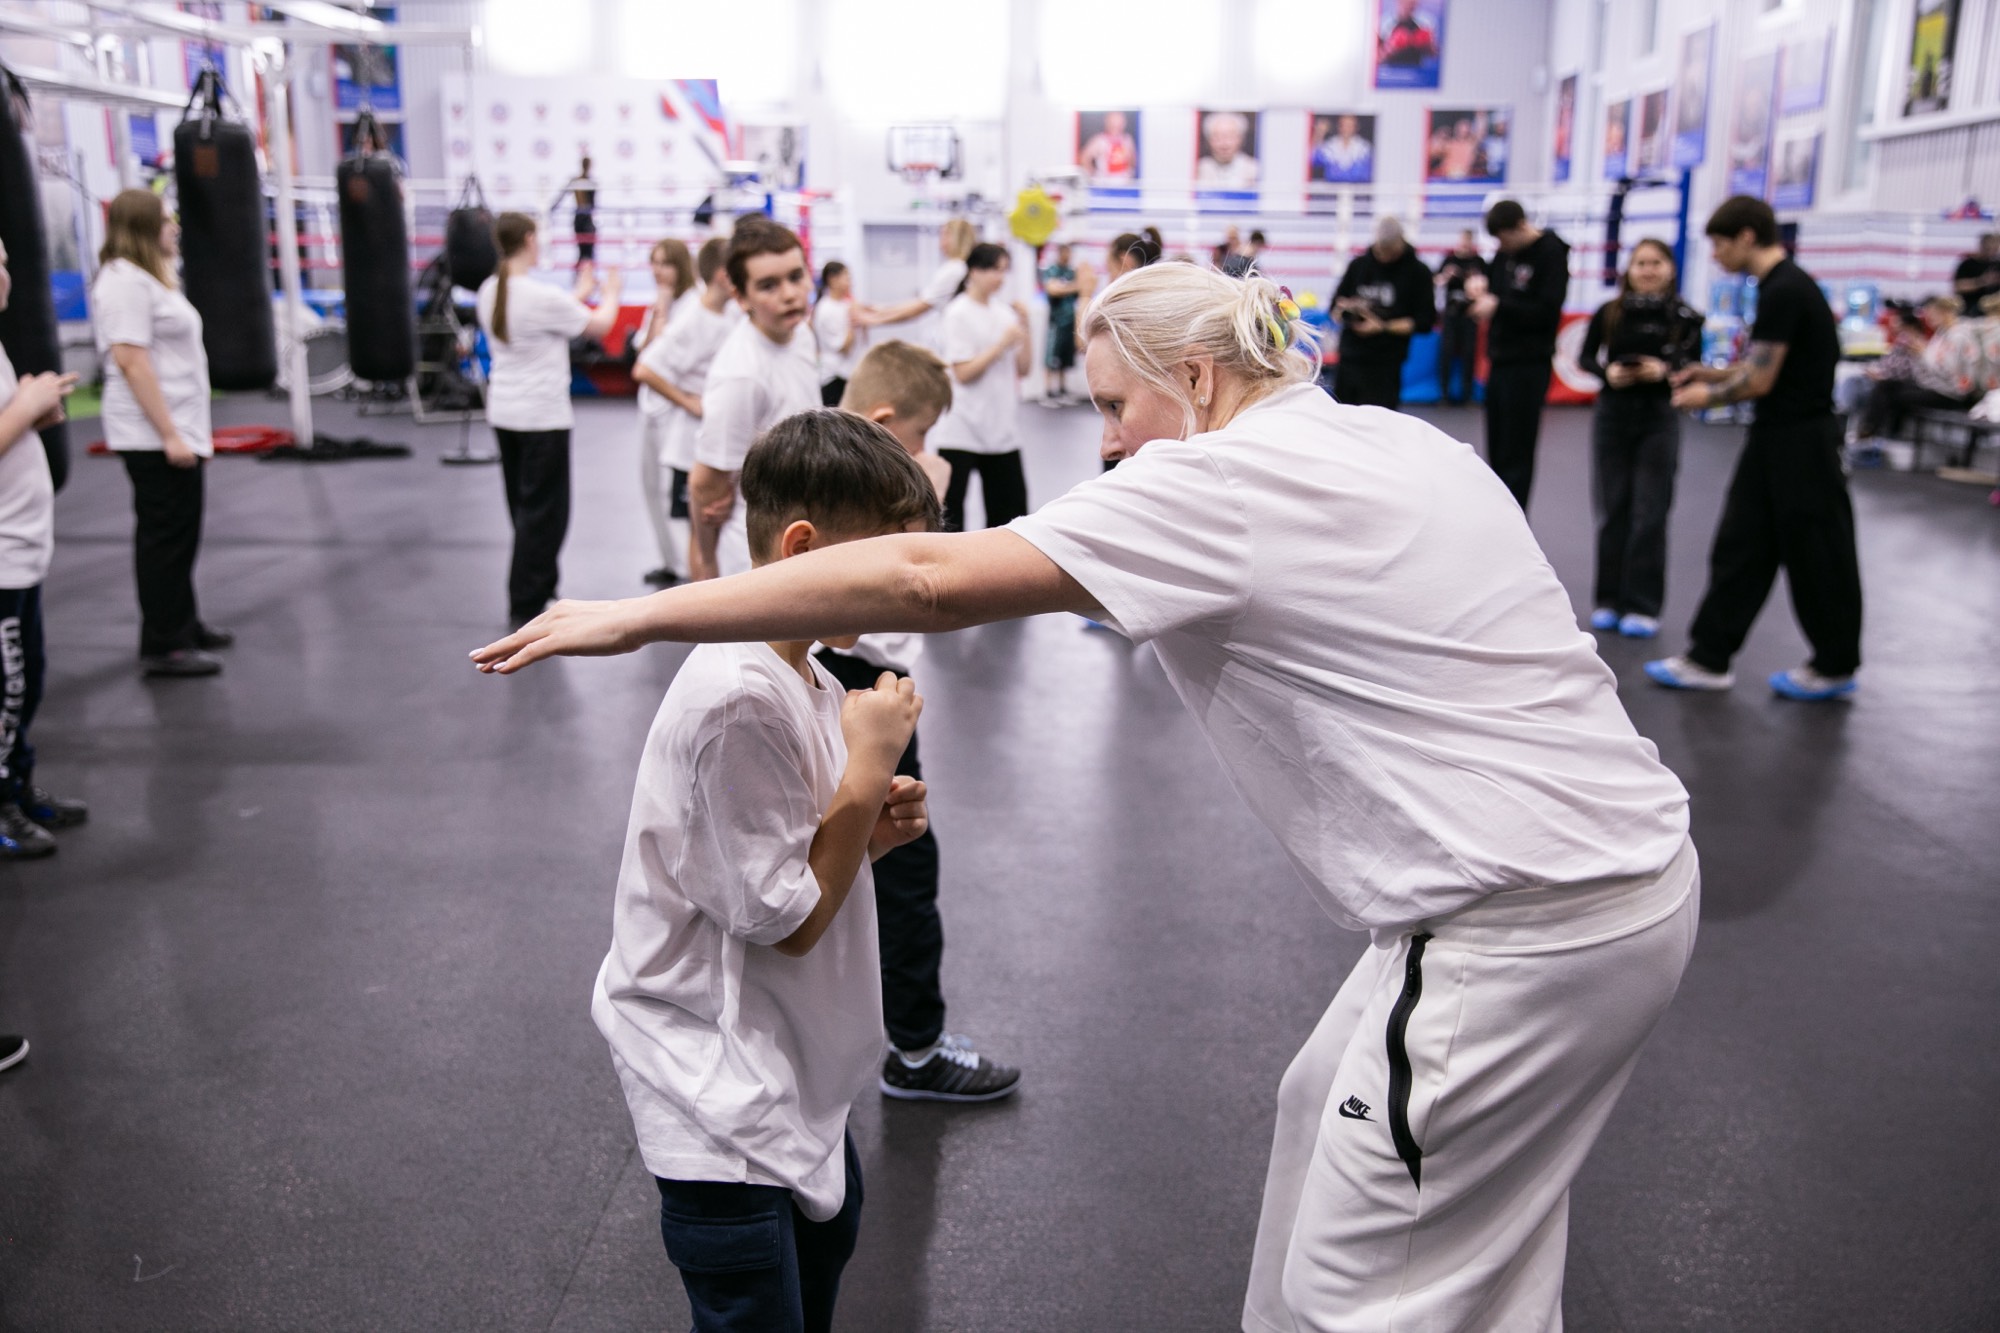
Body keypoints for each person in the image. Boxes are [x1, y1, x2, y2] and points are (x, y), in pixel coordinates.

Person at [474, 263, 1700, 1333]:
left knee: (1367, 1295)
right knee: (1371, 1172)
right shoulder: (1394, 439)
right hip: (1608, 881)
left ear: (1203, 380)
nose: (1105, 439)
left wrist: (635, 613)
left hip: (1520, 929)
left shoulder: (1224, 484)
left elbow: (924, 576)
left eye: (1115, 404)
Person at [591, 410, 937, 1331]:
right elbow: (783, 919)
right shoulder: (741, 698)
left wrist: (869, 828)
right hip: (721, 1098)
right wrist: (867, 771)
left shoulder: (812, 675)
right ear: (805, 549)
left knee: (825, 1257)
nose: (907, 593)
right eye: (890, 565)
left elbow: (792, 855)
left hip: (789, 1070)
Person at [816, 342, 1020, 1102]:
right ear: (881, 421)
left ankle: (880, 1038)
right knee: (901, 868)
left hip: (848, 679)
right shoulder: (849, 492)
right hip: (856, 683)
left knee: (860, 860)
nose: (926, 451)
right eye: (921, 434)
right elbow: (843, 617)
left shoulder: (825, 465)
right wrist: (924, 496)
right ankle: (916, 1051)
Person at [1651, 195, 1862, 701]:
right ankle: (1709, 657)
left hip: (1803, 442)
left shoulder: (1786, 290)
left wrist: (1707, 395)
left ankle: (1834, 666)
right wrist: (1714, 372)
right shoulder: (1777, 288)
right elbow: (1768, 369)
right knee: (1742, 546)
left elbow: (1762, 380)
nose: (1717, 256)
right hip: (1774, 437)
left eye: (1721, 244)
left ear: (1747, 236)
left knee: (1818, 554)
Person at [91, 189, 232, 677]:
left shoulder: (151, 279)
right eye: (166, 221)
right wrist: (171, 435)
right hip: (151, 435)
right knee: (163, 537)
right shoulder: (123, 282)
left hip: (176, 430)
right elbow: (132, 361)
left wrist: (194, 435)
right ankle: (164, 643)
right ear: (144, 227)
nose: (174, 228)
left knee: (181, 531)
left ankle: (183, 623)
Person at [476, 212, 623, 625]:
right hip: (541, 419)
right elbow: (601, 324)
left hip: (505, 413)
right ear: (528, 239)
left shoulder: (492, 289)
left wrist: (583, 289)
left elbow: (557, 310)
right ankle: (525, 601)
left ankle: (540, 587)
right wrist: (609, 291)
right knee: (545, 514)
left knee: (524, 509)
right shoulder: (537, 296)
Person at [0, 236, 86, 859]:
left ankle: (18, 787)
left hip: (21, 554)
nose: (8, 273)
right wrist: (23, 407)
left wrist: (35, 411)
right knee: (5, 691)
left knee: (25, 684)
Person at [1576, 239, 1704, 639]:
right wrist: (1606, 375)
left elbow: (1692, 364)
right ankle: (1608, 599)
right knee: (1613, 508)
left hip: (1658, 418)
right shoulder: (1609, 313)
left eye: (1656, 262)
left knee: (1650, 511)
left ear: (1670, 268)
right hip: (1613, 415)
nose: (1648, 269)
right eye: (1640, 262)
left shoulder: (1686, 317)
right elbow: (1584, 357)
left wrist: (1663, 371)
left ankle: (1643, 604)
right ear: (1629, 269)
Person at [690, 218, 819, 581]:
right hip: (751, 556)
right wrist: (708, 570)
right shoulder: (741, 373)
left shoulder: (801, 333)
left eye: (796, 276)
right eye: (768, 286)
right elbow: (705, 486)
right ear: (741, 297)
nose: (790, 294)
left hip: (802, 532)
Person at [632, 238, 735, 592]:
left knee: (721, 524)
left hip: (716, 436)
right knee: (700, 528)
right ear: (725, 275)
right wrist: (688, 402)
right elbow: (645, 368)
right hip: (688, 439)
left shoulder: (729, 313)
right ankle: (702, 604)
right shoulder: (693, 318)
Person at [1469, 198, 1571, 508]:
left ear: (1521, 226)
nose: (1502, 245)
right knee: (1498, 446)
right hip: (1501, 359)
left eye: (1504, 237)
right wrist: (1480, 290)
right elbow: (1496, 290)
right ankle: (1500, 514)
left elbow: (1548, 308)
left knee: (1518, 449)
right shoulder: (1504, 254)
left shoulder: (1552, 254)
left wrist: (1499, 306)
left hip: (1530, 363)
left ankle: (1516, 516)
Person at [930, 244, 1031, 532]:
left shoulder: (1004, 313)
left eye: (1003, 270)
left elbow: (1023, 369)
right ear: (974, 271)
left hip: (1001, 431)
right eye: (993, 269)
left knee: (1010, 517)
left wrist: (1026, 327)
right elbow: (963, 373)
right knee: (950, 519)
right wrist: (1001, 344)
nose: (1000, 277)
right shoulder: (957, 313)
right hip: (961, 429)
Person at [632, 239, 697, 586]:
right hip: (651, 406)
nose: (658, 270)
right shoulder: (660, 305)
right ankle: (668, 559)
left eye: (665, 263)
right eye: (654, 262)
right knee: (650, 484)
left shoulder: (693, 306)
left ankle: (688, 565)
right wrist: (660, 309)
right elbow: (644, 353)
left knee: (677, 492)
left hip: (678, 410)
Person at [1330, 216, 1435, 410]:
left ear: (1400, 244)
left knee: (1380, 426)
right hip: (1350, 359)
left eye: (1388, 253)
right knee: (1343, 424)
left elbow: (1425, 321)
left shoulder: (1418, 272)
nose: (1383, 257)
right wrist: (1347, 309)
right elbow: (1334, 307)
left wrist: (1382, 327)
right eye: (1380, 251)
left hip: (1386, 363)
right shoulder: (1359, 265)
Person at [1851, 296, 1983, 447]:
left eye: (1932, 314)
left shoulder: (1958, 337)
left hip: (1948, 392)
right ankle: (1872, 432)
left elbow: (1948, 370)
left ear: (1945, 312)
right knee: (1886, 386)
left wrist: (1923, 353)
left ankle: (1878, 435)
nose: (1928, 319)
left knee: (1892, 394)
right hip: (1935, 386)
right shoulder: (1941, 334)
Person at [855, 217, 977, 351]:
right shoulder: (962, 267)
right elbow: (921, 301)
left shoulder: (954, 269)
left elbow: (918, 308)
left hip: (955, 338)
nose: (940, 243)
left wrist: (873, 320)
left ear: (955, 238)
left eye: (944, 235)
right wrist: (880, 309)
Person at [1434, 229, 1487, 405]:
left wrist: (1475, 282)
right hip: (1451, 313)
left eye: (1468, 242)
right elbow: (1436, 280)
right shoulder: (1449, 260)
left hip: (1470, 314)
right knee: (1446, 352)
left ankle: (1468, 394)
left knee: (1469, 353)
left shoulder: (1478, 262)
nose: (1465, 245)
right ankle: (1444, 393)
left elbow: (1488, 284)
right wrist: (1447, 275)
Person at [813, 260, 861, 408]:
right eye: (846, 278)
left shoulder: (845, 305)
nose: (850, 283)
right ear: (832, 280)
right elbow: (843, 346)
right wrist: (853, 321)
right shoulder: (825, 309)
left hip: (847, 374)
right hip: (833, 378)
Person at [1039, 242, 1081, 402]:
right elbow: (1053, 289)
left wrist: (1070, 287)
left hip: (1070, 321)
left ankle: (1062, 389)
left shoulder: (1071, 272)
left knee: (1066, 356)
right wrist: (1073, 287)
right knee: (1052, 355)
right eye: (1065, 252)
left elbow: (1082, 287)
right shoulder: (1052, 270)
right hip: (1056, 321)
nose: (1067, 256)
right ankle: (1048, 391)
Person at [1197, 112, 1260, 189]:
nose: (1224, 144)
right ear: (1208, 140)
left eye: (1230, 137)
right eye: (1217, 137)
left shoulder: (1254, 170)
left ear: (1241, 139)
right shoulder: (1198, 170)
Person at [1310, 115, 1372, 184]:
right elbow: (1313, 160)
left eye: (1350, 126)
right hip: (1332, 190)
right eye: (1343, 125)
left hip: (1357, 191)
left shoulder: (1364, 148)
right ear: (1339, 127)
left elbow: (1367, 175)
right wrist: (1319, 133)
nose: (1346, 129)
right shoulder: (1330, 146)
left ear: (1356, 127)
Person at [1079, 110, 1137, 182]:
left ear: (1124, 122)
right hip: (1105, 184)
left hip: (1124, 184)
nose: (1115, 124)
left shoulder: (1127, 140)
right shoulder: (1100, 140)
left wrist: (1130, 174)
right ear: (1107, 122)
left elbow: (1133, 161)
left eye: (1118, 121)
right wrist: (1092, 176)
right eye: (1112, 121)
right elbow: (1084, 157)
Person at [1951, 233, 2000, 316]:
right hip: (1970, 310)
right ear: (1982, 246)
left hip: (1994, 311)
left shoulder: (1997, 264)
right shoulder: (1968, 264)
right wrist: (1982, 281)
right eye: (1988, 247)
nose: (1991, 251)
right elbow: (1958, 286)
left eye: (1994, 248)